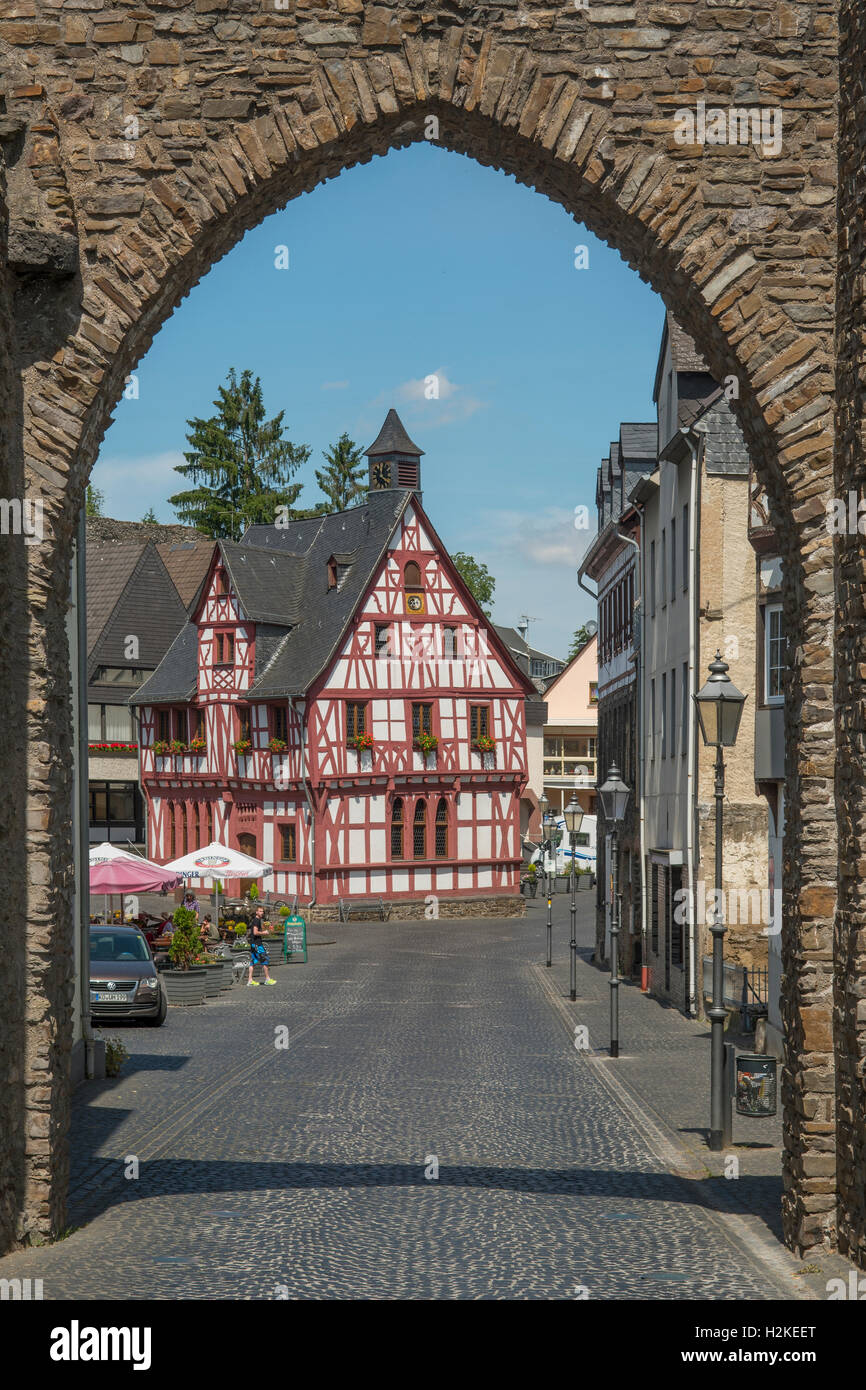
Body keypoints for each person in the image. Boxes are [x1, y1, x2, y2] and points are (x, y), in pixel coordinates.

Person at [246, 907, 276, 986]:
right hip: (257, 944)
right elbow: (255, 932)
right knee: (265, 959)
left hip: (254, 943)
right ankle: (267, 979)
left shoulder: (258, 920)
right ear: (256, 912)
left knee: (253, 961)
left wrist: (266, 929)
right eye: (260, 911)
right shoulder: (256, 920)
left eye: (262, 911)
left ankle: (250, 980)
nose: (262, 913)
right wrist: (264, 933)